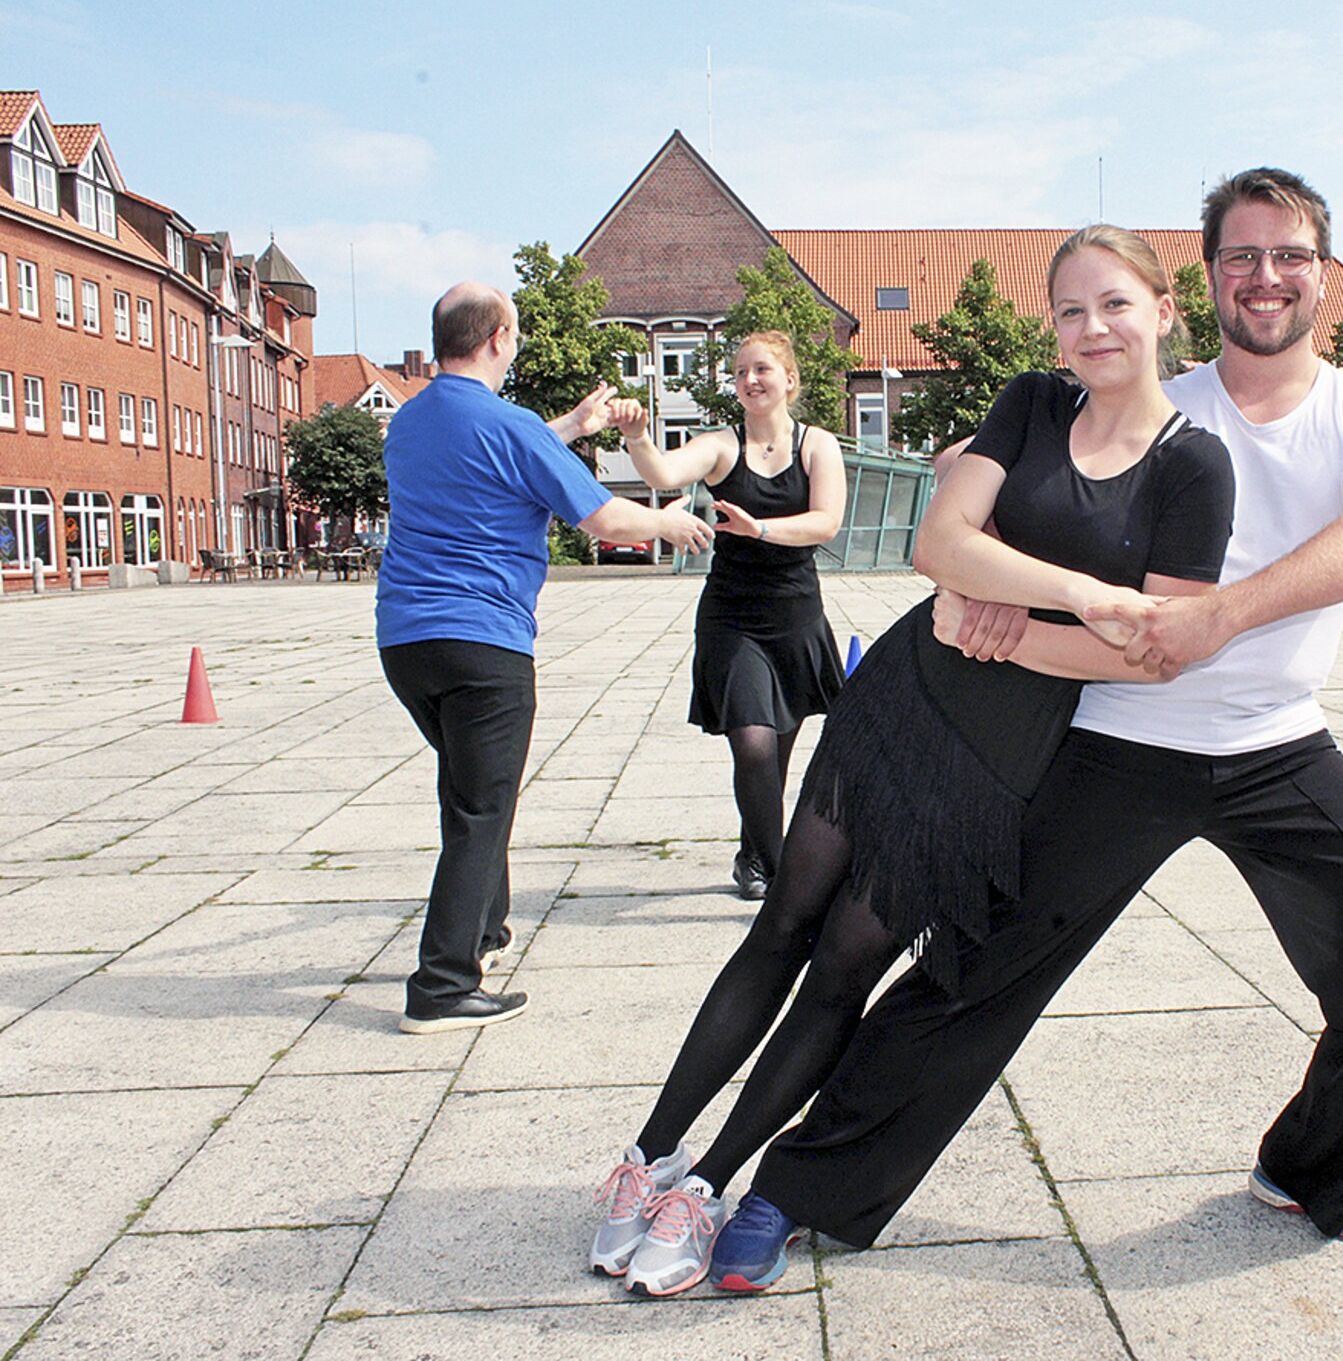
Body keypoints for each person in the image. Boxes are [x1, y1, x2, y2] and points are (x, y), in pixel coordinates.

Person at [706, 168, 1343, 1287]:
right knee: (968, 976)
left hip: (1272, 741)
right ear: (1201, 282)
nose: (1265, 276)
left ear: (1320, 272)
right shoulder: (1145, 389)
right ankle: (797, 1187)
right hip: (1110, 738)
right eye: (1241, 255)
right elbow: (964, 476)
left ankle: (1311, 1166)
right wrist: (988, 581)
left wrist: (1209, 621)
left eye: (1289, 254)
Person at [589, 226, 1235, 1297]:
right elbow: (941, 544)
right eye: (1071, 310)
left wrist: (1012, 622)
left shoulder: (1193, 464)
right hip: (901, 697)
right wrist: (1079, 593)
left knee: (846, 958)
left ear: (1164, 311)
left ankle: (709, 1178)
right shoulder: (1033, 403)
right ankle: (649, 1148)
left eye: (1115, 304)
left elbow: (1154, 648)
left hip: (993, 756)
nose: (1092, 329)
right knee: (784, 919)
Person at [378, 282, 713, 1034]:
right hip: (482, 642)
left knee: (466, 790)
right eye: (517, 332)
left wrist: (573, 423)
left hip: (406, 642)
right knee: (480, 808)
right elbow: (598, 513)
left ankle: (485, 932)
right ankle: (441, 986)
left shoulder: (408, 420)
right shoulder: (512, 425)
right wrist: (667, 523)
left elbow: (498, 449)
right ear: (498, 337)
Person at [618, 332, 848, 902]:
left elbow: (825, 524)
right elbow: (663, 475)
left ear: (789, 380)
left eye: (762, 369)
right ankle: (786, 883)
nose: (749, 379)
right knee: (753, 745)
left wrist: (761, 529)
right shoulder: (722, 445)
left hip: (796, 616)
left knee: (779, 756)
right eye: (741, 371)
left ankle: (753, 855)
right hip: (732, 618)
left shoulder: (818, 445)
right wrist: (639, 438)